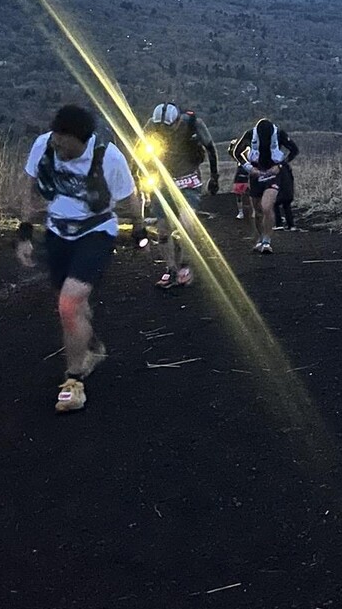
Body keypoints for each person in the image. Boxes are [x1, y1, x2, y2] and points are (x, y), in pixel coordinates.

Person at [15, 104, 136, 413]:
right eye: (55, 139)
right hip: (57, 232)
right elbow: (30, 188)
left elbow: (130, 197)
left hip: (96, 232)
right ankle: (93, 347)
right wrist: (24, 233)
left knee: (68, 304)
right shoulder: (44, 146)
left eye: (64, 143)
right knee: (73, 307)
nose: (58, 147)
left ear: (82, 140)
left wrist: (139, 228)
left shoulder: (108, 157)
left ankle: (73, 381)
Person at [135, 103, 218, 289]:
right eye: (161, 128)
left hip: (188, 181)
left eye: (169, 128)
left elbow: (211, 148)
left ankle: (185, 264)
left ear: (178, 120)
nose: (165, 131)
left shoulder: (193, 124)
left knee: (187, 224)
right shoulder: (152, 125)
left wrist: (214, 177)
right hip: (163, 182)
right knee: (163, 230)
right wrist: (137, 176)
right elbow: (139, 151)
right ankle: (170, 268)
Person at [229, 118, 299, 254]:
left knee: (267, 206)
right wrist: (249, 168)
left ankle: (267, 241)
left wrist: (280, 165)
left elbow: (294, 150)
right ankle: (261, 238)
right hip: (256, 174)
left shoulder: (279, 134)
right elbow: (237, 152)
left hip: (273, 174)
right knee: (258, 210)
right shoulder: (250, 134)